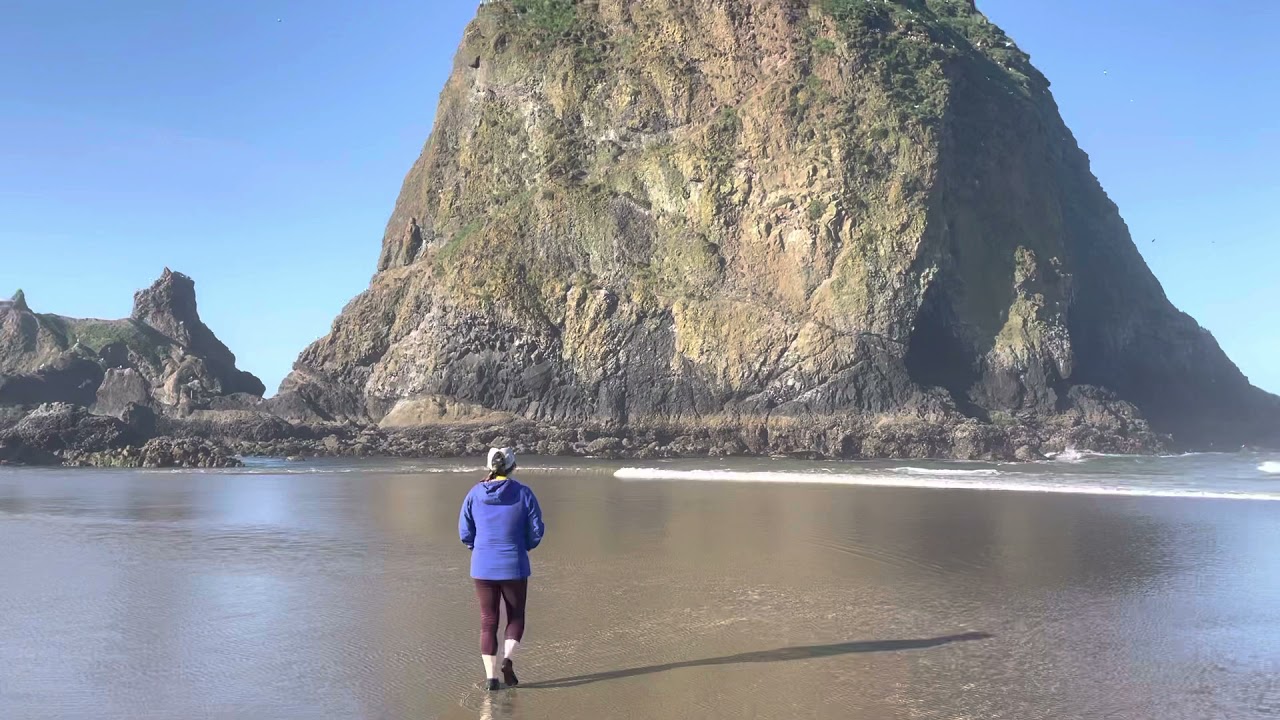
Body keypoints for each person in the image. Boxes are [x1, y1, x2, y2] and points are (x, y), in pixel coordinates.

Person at [459, 447, 546, 690]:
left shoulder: (474, 493)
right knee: (516, 616)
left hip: (482, 564)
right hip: (514, 564)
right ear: (512, 467)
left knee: (488, 621)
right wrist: (524, 546)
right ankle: (507, 661)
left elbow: (465, 532)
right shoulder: (524, 493)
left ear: (490, 466)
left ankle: (491, 678)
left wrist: (477, 548)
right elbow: (537, 529)